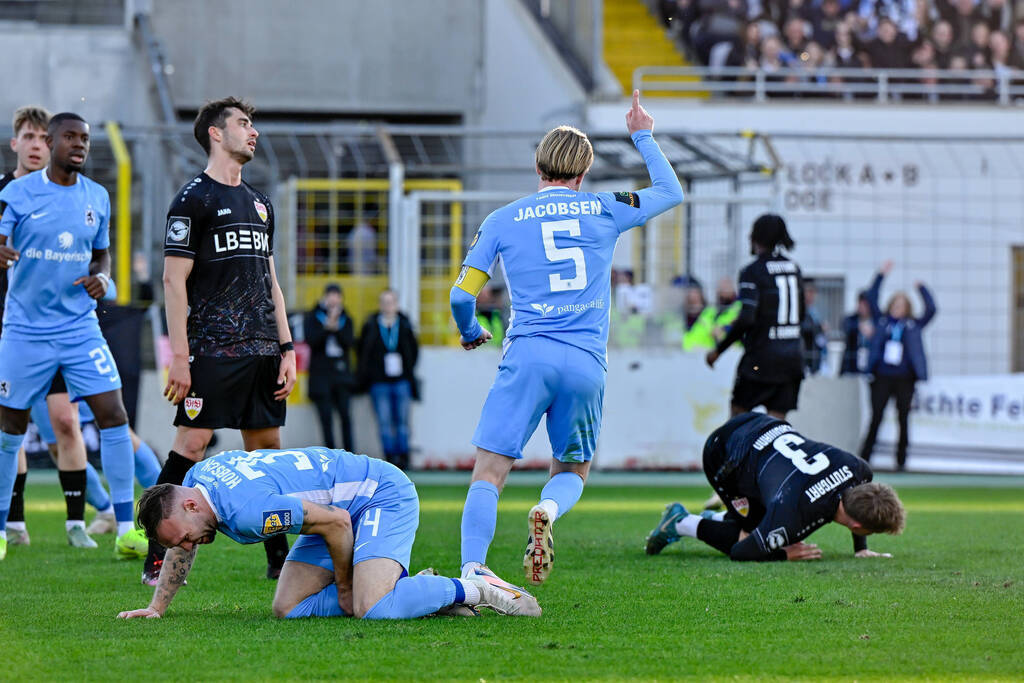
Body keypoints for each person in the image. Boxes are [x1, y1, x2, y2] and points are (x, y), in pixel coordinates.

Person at [449, 91, 683, 590]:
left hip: (528, 355)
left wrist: (471, 333)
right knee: (573, 469)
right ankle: (547, 509)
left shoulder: (503, 219)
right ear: (583, 174)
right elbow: (669, 191)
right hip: (583, 363)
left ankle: (473, 568)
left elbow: (460, 296)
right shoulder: (604, 208)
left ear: (538, 167)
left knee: (488, 473)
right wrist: (642, 132)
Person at [116, 447, 541, 620]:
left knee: (370, 607)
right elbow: (322, 517)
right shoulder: (197, 477)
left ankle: (475, 589)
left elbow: (336, 522)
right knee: (287, 607)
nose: (188, 547)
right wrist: (157, 606)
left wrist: (344, 585)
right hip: (331, 508)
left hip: (378, 495)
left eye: (184, 536)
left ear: (190, 503)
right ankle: (413, 590)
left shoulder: (247, 514)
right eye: (180, 544)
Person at [151, 97, 297, 584]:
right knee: (192, 442)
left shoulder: (261, 203)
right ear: (216, 134)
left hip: (261, 351)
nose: (252, 132)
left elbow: (270, 281)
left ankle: (279, 562)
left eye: (252, 123)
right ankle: (156, 552)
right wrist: (179, 356)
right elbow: (173, 281)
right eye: (242, 124)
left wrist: (287, 349)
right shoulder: (192, 200)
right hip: (212, 349)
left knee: (268, 454)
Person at [0, 112, 146, 562]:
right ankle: (4, 527)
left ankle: (125, 528)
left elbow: (101, 255)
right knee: (10, 428)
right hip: (25, 331)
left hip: (79, 328)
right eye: (71, 137)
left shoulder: (97, 197)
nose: (80, 144)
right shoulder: (17, 193)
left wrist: (102, 278)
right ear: (50, 141)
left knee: (114, 415)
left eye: (85, 138)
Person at [645, 412, 905, 560]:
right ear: (858, 526)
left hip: (763, 424)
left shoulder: (859, 471)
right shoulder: (793, 513)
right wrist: (784, 554)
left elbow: (861, 501)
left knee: (765, 525)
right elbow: (740, 553)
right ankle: (681, 522)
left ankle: (717, 516)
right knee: (751, 536)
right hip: (726, 452)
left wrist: (861, 549)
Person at [706, 214, 805, 420]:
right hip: (791, 360)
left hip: (760, 362)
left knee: (737, 419)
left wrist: (718, 350)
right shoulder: (794, 269)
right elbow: (801, 314)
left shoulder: (753, 272)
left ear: (756, 237)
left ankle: (736, 453)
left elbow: (747, 318)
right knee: (777, 427)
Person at [858, 261, 936, 471]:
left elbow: (932, 309)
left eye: (901, 305)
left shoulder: (912, 325)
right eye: (895, 304)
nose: (897, 308)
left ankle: (901, 460)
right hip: (882, 376)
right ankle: (864, 458)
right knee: (876, 417)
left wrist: (922, 289)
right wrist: (881, 275)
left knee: (903, 418)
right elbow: (871, 297)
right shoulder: (883, 322)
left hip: (904, 378)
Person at [358, 289, 419, 470]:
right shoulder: (371, 325)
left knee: (402, 421)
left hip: (401, 380)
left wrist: (409, 370)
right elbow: (363, 351)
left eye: (391, 302)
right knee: (384, 422)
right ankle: (390, 457)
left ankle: (403, 457)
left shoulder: (405, 325)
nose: (388, 306)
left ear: (397, 304)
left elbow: (414, 350)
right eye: (384, 302)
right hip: (379, 382)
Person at [305, 283, 355, 452]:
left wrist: (336, 327)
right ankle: (331, 454)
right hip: (321, 376)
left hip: (341, 375)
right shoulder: (314, 317)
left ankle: (349, 454)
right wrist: (328, 326)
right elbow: (311, 341)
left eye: (336, 296)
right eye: (330, 296)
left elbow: (349, 343)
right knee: (325, 417)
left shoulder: (347, 318)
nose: (333, 300)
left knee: (345, 416)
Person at [682, 279, 741, 352]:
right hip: (693, 351)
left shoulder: (739, 308)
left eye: (726, 287)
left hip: (732, 350)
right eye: (721, 287)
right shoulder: (712, 311)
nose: (723, 290)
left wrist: (723, 329)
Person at [840, 291, 874, 375]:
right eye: (860, 304)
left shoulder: (877, 321)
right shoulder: (850, 319)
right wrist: (859, 327)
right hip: (852, 365)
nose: (863, 307)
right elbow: (845, 327)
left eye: (865, 305)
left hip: (871, 366)